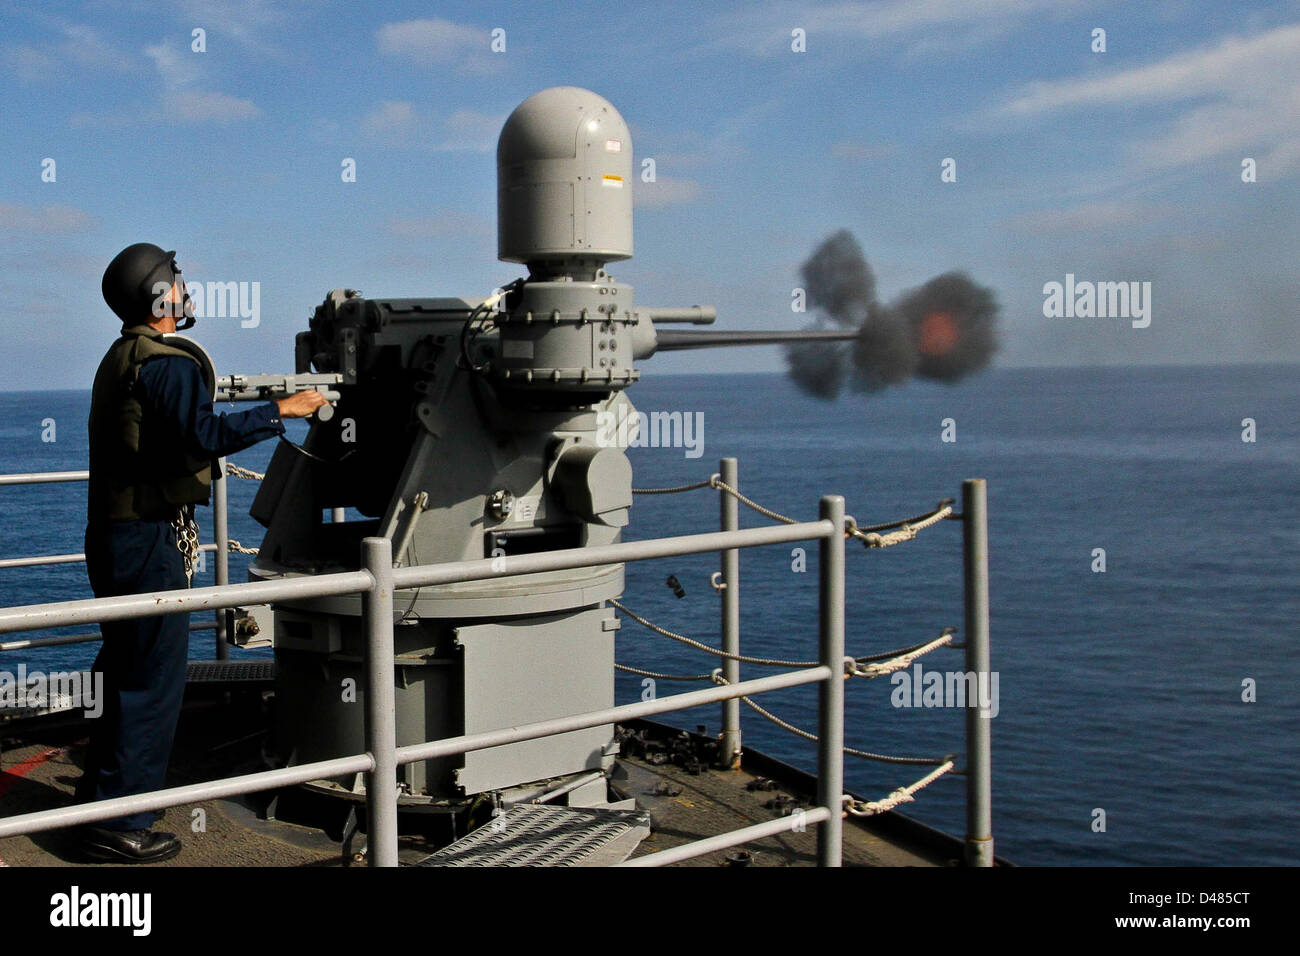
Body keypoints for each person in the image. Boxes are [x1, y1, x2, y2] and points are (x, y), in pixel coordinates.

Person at [76, 242, 327, 863]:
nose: (187, 290)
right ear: (159, 295)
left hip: (112, 536)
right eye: (178, 281)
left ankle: (101, 798)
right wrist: (283, 410)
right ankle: (121, 821)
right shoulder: (171, 365)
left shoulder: (122, 358)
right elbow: (202, 437)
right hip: (149, 539)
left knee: (123, 667)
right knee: (152, 682)